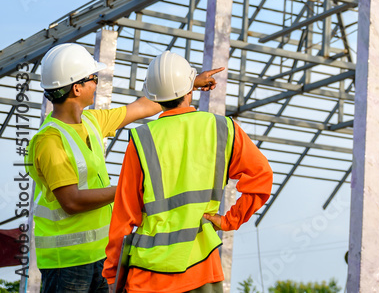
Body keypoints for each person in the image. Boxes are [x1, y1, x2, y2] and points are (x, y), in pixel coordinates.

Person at [25, 43, 221, 293]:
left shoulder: (92, 121)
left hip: (100, 255)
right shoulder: (50, 141)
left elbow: (144, 106)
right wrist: (128, 190)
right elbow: (71, 201)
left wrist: (187, 85)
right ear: (77, 88)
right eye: (93, 78)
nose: (96, 84)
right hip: (67, 262)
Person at [104, 51, 272, 293]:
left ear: (153, 96)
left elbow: (124, 214)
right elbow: (262, 177)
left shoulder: (142, 139)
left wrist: (112, 273)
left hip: (149, 275)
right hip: (202, 270)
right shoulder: (223, 129)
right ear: (190, 89)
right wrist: (228, 220)